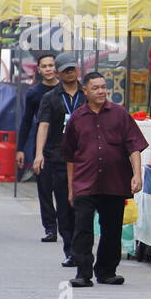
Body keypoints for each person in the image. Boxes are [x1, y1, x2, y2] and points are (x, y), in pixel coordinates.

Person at [61, 72, 148, 288]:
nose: (101, 91)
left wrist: (137, 175)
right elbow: (69, 156)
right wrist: (71, 188)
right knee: (82, 229)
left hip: (115, 182)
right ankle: (83, 272)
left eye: (103, 87)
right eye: (96, 88)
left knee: (112, 229)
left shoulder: (119, 115)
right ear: (86, 92)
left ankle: (107, 271)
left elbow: (134, 147)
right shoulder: (77, 118)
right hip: (84, 182)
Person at [33, 54, 84, 265]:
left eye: (72, 68)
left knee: (82, 207)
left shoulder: (87, 93)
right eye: (65, 69)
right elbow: (43, 125)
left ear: (77, 70)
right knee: (64, 206)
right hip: (59, 157)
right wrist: (39, 154)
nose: (69, 72)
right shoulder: (51, 97)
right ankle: (70, 250)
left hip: (84, 159)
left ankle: (82, 249)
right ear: (58, 73)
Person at [17, 53, 60, 241]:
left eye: (51, 65)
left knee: (64, 189)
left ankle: (67, 225)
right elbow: (26, 121)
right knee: (44, 189)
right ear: (39, 70)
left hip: (65, 145)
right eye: (45, 66)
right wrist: (20, 149)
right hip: (41, 146)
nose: (49, 69)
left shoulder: (66, 89)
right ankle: (50, 228)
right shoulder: (34, 93)